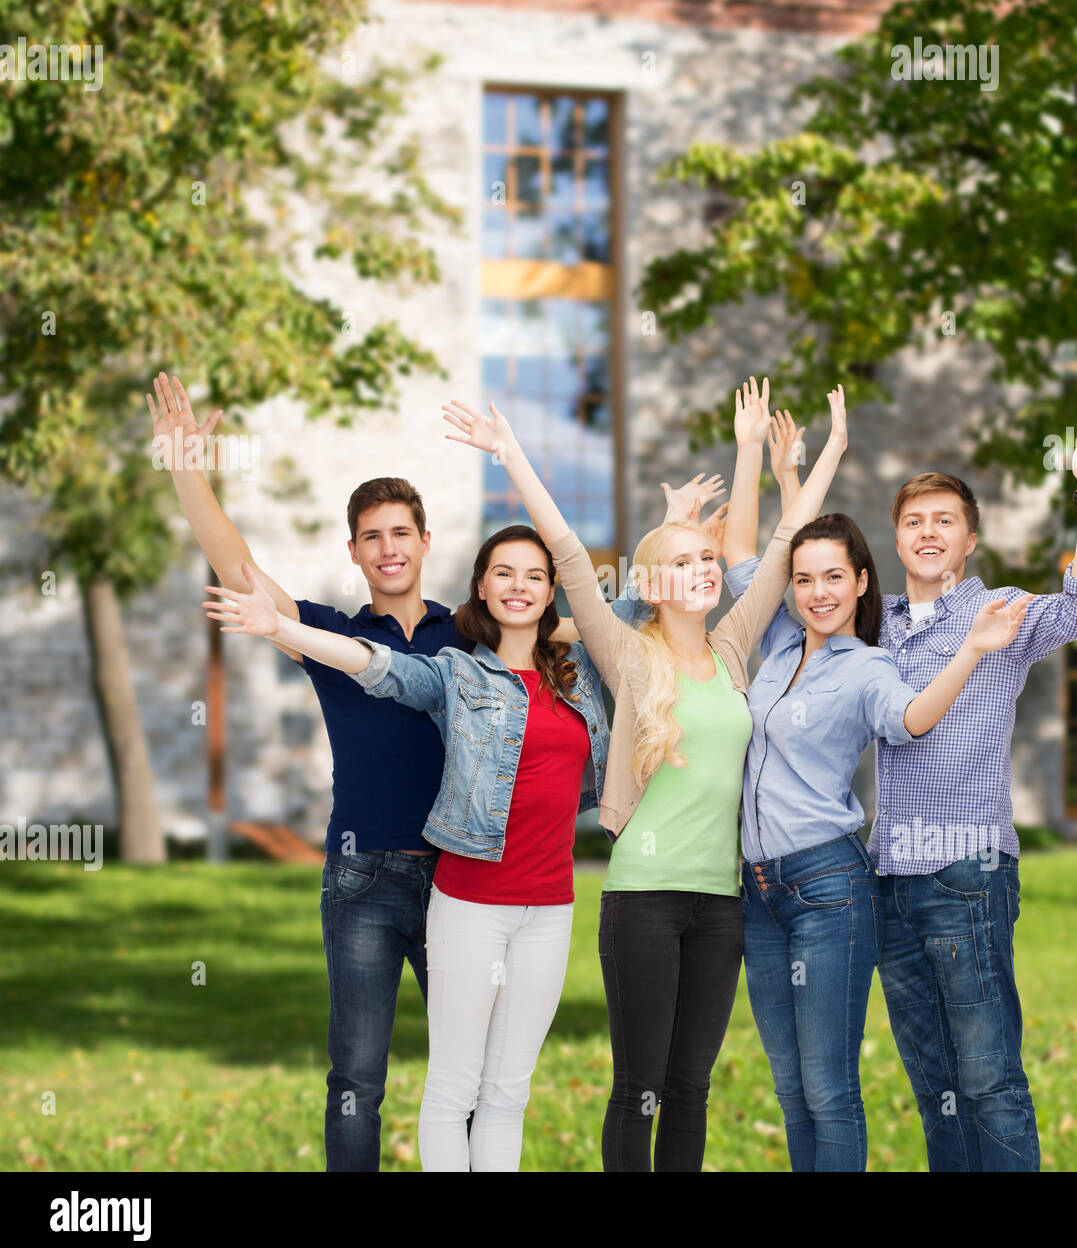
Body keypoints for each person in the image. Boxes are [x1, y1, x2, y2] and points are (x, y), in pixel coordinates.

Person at [152, 369, 724, 1170]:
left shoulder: (472, 644)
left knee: (491, 1078)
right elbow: (243, 572)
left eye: (401, 532)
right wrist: (187, 468)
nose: (388, 547)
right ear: (354, 551)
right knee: (360, 1072)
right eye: (372, 535)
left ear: (426, 544)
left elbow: (600, 614)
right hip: (368, 874)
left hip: (469, 873)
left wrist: (667, 535)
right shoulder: (332, 636)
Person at [441, 378, 849, 1171]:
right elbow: (564, 552)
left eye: (707, 557)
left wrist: (801, 451)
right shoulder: (627, 655)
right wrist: (509, 451)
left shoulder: (733, 647)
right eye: (685, 560)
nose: (703, 568)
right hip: (642, 899)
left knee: (691, 1086)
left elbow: (782, 544)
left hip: (721, 902)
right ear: (655, 581)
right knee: (641, 1088)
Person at [772, 402, 1077, 1171]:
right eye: (914, 521)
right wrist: (792, 474)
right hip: (889, 879)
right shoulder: (876, 624)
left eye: (944, 520)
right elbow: (802, 578)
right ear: (896, 541)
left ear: (968, 538)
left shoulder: (1003, 613)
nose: (928, 532)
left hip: (968, 875)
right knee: (936, 1086)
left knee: (988, 1078)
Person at [203, 523, 610, 1171]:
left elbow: (625, 619)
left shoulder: (577, 674)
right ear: (479, 585)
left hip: (550, 909)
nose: (519, 585)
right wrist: (277, 627)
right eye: (504, 572)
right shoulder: (455, 670)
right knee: (442, 1086)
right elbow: (375, 665)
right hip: (465, 898)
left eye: (535, 574)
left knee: (504, 1093)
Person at [719, 406, 1032, 1171]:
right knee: (792, 1088)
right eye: (803, 579)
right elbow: (742, 556)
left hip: (829, 880)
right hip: (756, 888)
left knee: (832, 1088)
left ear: (864, 583)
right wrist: (757, 454)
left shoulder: (868, 663)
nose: (817, 591)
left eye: (836, 578)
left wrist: (968, 650)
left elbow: (914, 719)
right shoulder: (777, 643)